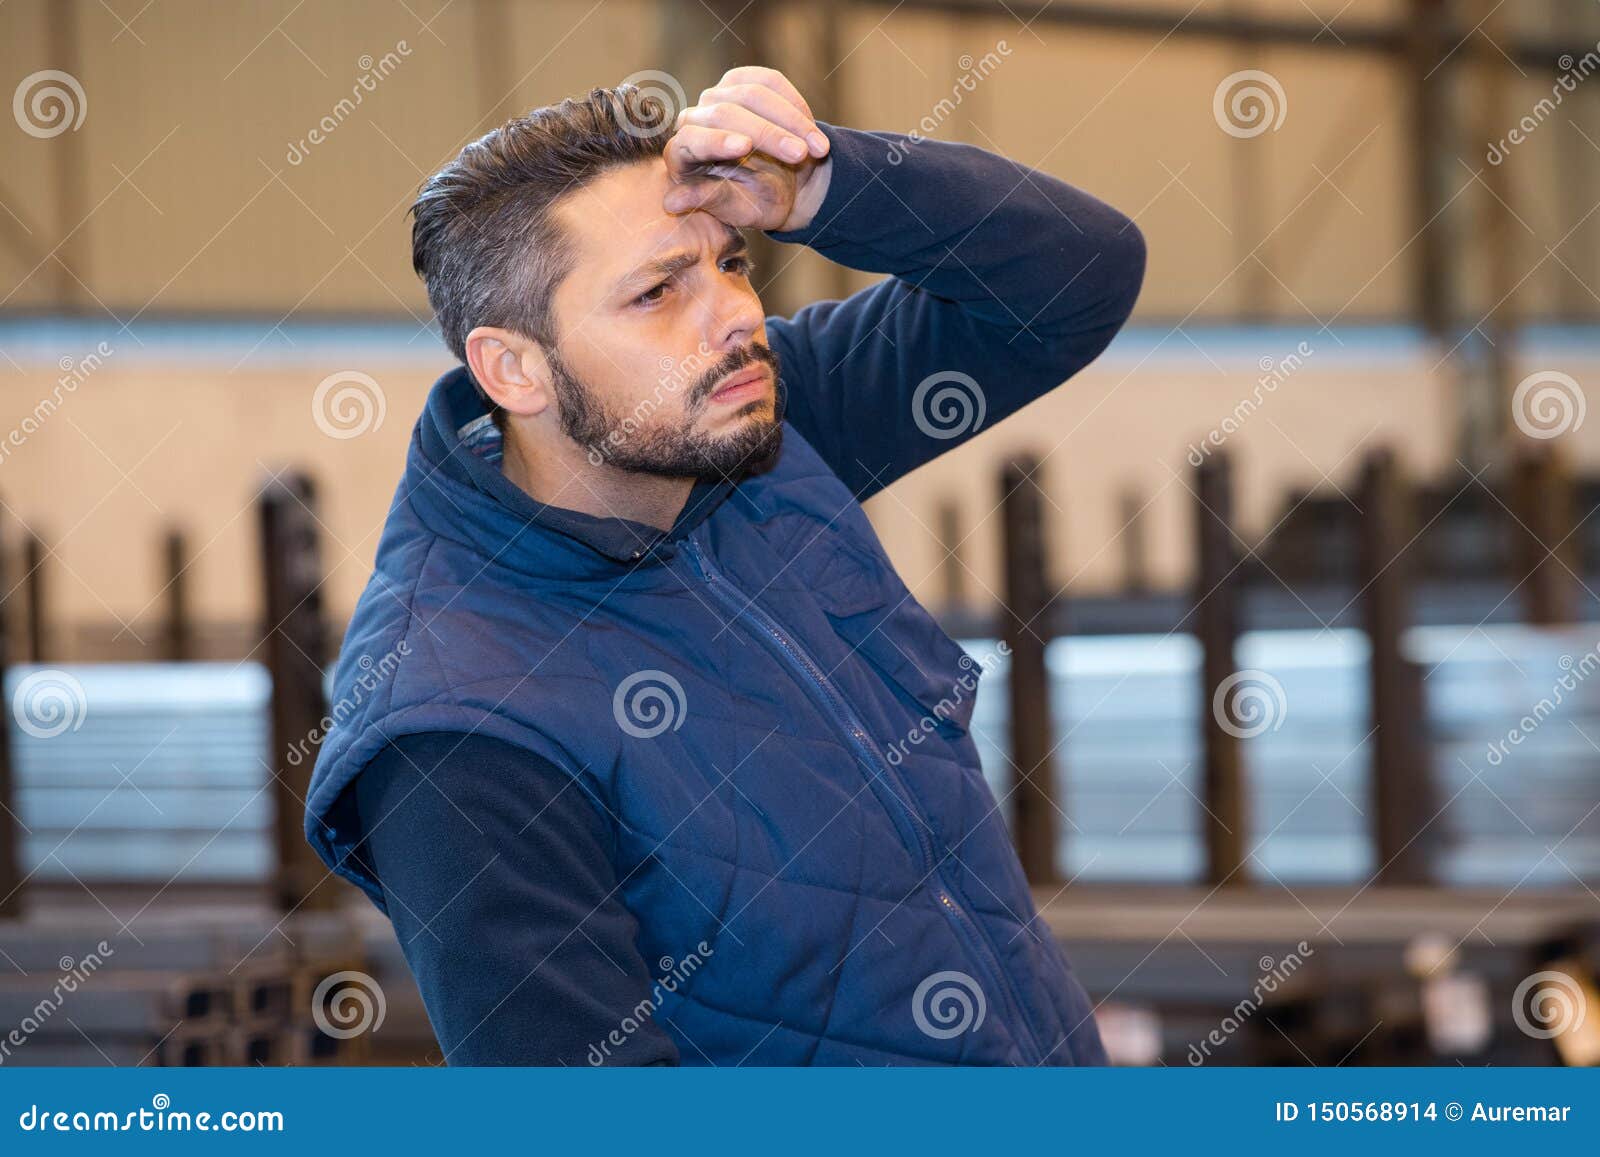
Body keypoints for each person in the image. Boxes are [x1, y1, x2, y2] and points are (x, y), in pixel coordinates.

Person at [304, 66, 1146, 1066]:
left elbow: (1076, 279)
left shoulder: (762, 432)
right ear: (512, 369)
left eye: (731, 262)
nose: (735, 316)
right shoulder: (456, 729)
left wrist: (830, 187)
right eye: (658, 291)